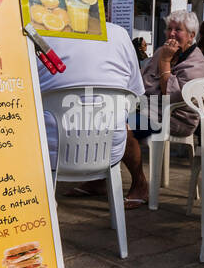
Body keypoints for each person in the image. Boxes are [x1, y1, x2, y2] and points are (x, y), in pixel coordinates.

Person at [37, 21, 145, 193]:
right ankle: (134, 183)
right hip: (109, 151)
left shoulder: (35, 35)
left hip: (52, 153)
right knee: (122, 122)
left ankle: (37, 203)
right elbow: (135, 92)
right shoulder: (119, 34)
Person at [125, 10, 204, 207]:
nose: (171, 34)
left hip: (175, 117)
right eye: (169, 29)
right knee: (104, 119)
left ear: (191, 35)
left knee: (122, 129)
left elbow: (171, 97)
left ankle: (140, 185)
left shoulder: (196, 62)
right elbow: (142, 82)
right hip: (150, 109)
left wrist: (164, 62)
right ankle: (99, 180)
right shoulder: (164, 52)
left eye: (178, 30)